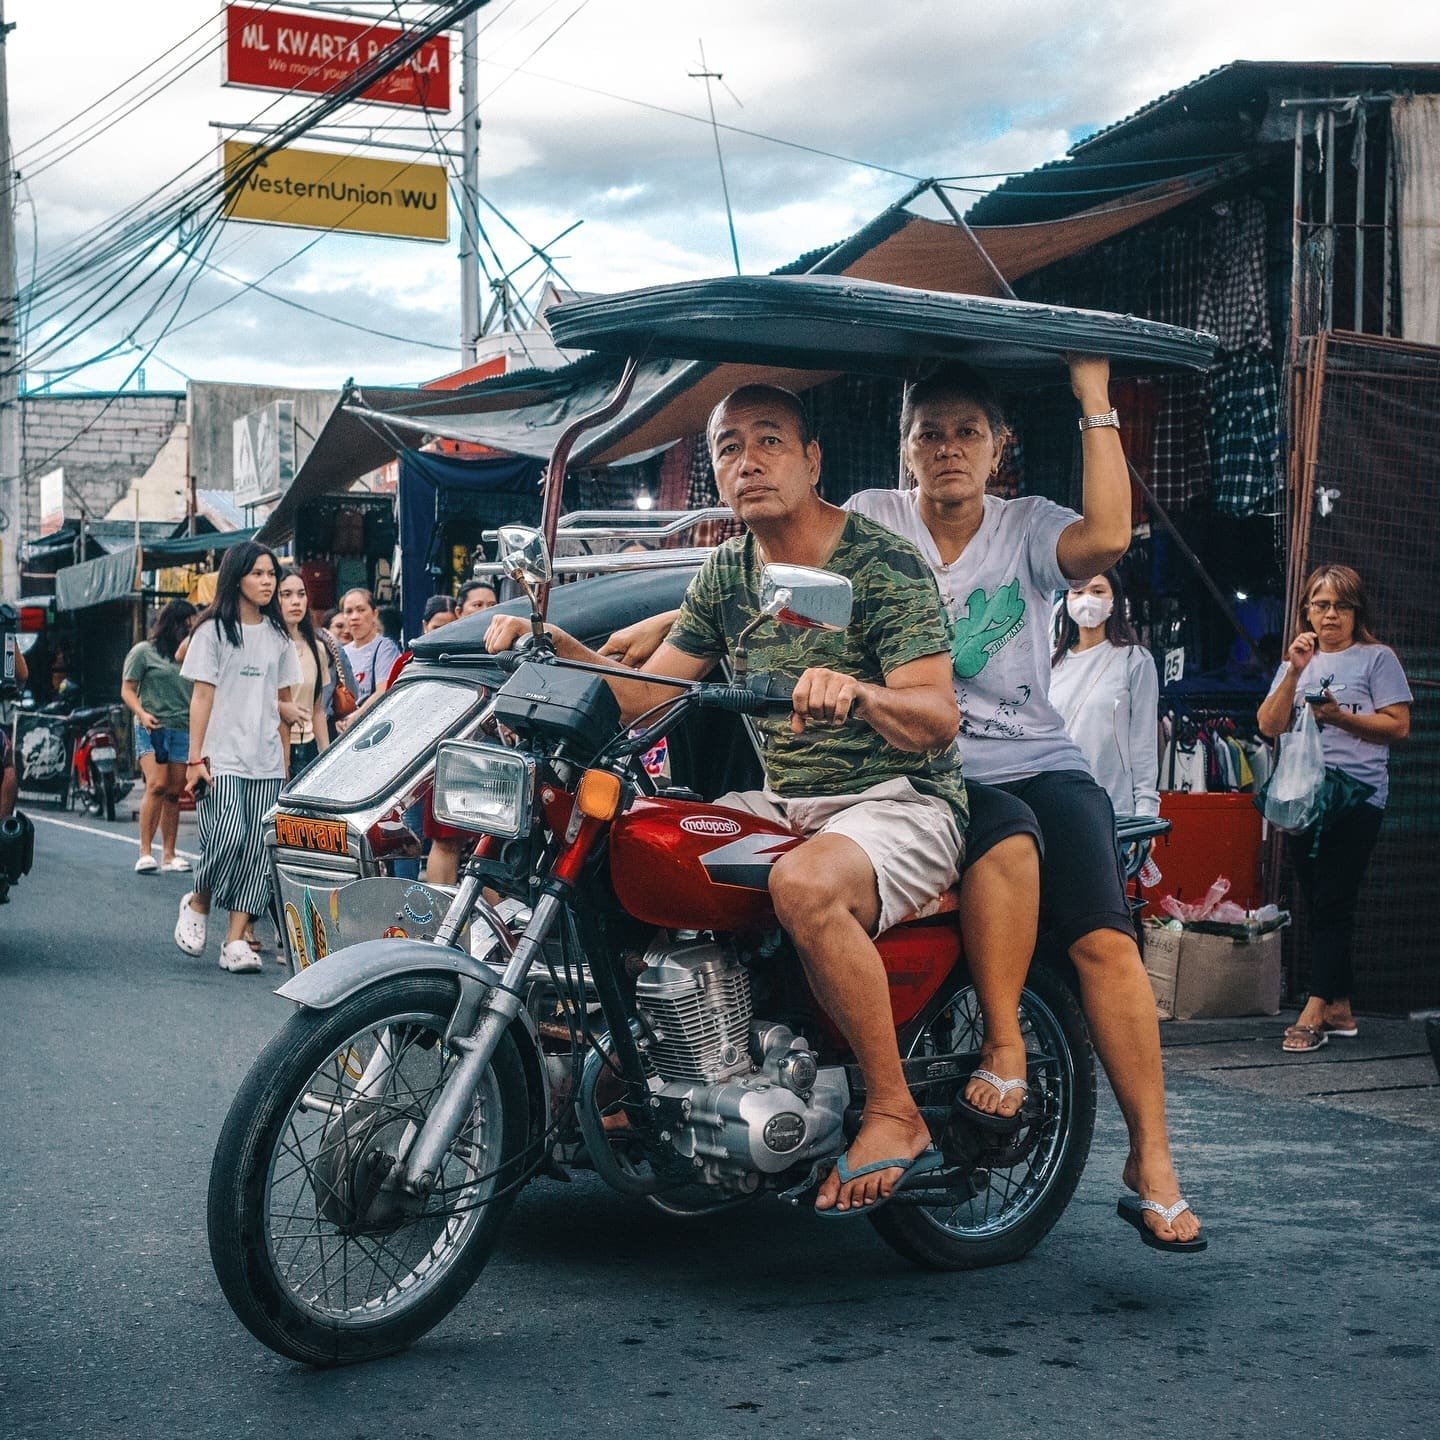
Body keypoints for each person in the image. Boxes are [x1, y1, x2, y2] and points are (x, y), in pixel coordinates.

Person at [600, 361, 1203, 1251]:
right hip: (885, 757)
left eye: (967, 431)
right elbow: (771, 570)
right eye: (928, 431)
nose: (946, 447)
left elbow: (1108, 536)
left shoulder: (1026, 527)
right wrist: (625, 630)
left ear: (999, 448)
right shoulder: (872, 513)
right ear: (901, 448)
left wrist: (1093, 395)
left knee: (1095, 932)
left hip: (1007, 760)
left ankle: (1113, 1131)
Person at [488, 383, 1039, 1218]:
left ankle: (893, 1110)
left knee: (804, 886)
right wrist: (557, 650)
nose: (748, 461)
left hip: (900, 798)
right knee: (640, 837)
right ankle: (675, 1068)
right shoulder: (730, 572)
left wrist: (855, 692)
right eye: (728, 447)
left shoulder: (881, 564)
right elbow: (648, 695)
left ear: (813, 460)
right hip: (789, 798)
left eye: (770, 441)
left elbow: (935, 716)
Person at [1257, 564, 1411, 1054]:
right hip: (1307, 796)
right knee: (1319, 899)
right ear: (1307, 611)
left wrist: (1342, 718)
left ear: (1355, 612)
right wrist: (1295, 672)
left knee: (1333, 901)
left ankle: (1314, 1008)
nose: (1330, 615)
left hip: (1358, 795)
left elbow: (1398, 725)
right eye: (1321, 605)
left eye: (1341, 606)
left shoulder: (1376, 658)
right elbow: (1269, 724)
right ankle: (1340, 1006)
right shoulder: (1298, 662)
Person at [174, 542, 301, 975]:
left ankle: (235, 941)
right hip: (220, 755)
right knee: (227, 837)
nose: (268, 582)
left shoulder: (279, 635)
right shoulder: (211, 632)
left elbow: (282, 701)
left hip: (266, 757)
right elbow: (202, 695)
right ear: (237, 578)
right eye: (259, 574)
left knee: (256, 851)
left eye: (272, 575)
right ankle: (198, 900)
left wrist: (284, 762)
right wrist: (195, 757)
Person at [1049, 567, 1161, 818]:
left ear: (1114, 601)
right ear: (1066, 600)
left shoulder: (1135, 660)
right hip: (1055, 804)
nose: (1087, 598)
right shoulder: (1050, 664)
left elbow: (1143, 742)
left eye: (1098, 591)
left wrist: (1146, 811)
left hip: (1114, 808)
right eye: (1078, 592)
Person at [121, 599, 198, 874]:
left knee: (175, 792)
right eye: (186, 624)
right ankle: (144, 852)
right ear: (173, 624)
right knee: (156, 784)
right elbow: (128, 689)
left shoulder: (193, 653)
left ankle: (169, 853)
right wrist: (141, 713)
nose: (190, 629)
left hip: (184, 726)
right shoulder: (143, 652)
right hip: (152, 725)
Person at [277, 568, 332, 776]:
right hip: (271, 748)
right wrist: (281, 707)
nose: (296, 601)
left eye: (301, 594)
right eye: (286, 594)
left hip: (307, 748)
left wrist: (325, 754)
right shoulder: (267, 644)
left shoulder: (316, 647)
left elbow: (317, 709)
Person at [340, 588, 400, 707]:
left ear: (374, 614)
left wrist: (354, 718)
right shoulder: (341, 652)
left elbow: (383, 691)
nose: (354, 617)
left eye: (361, 610)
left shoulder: (385, 648)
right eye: (349, 611)